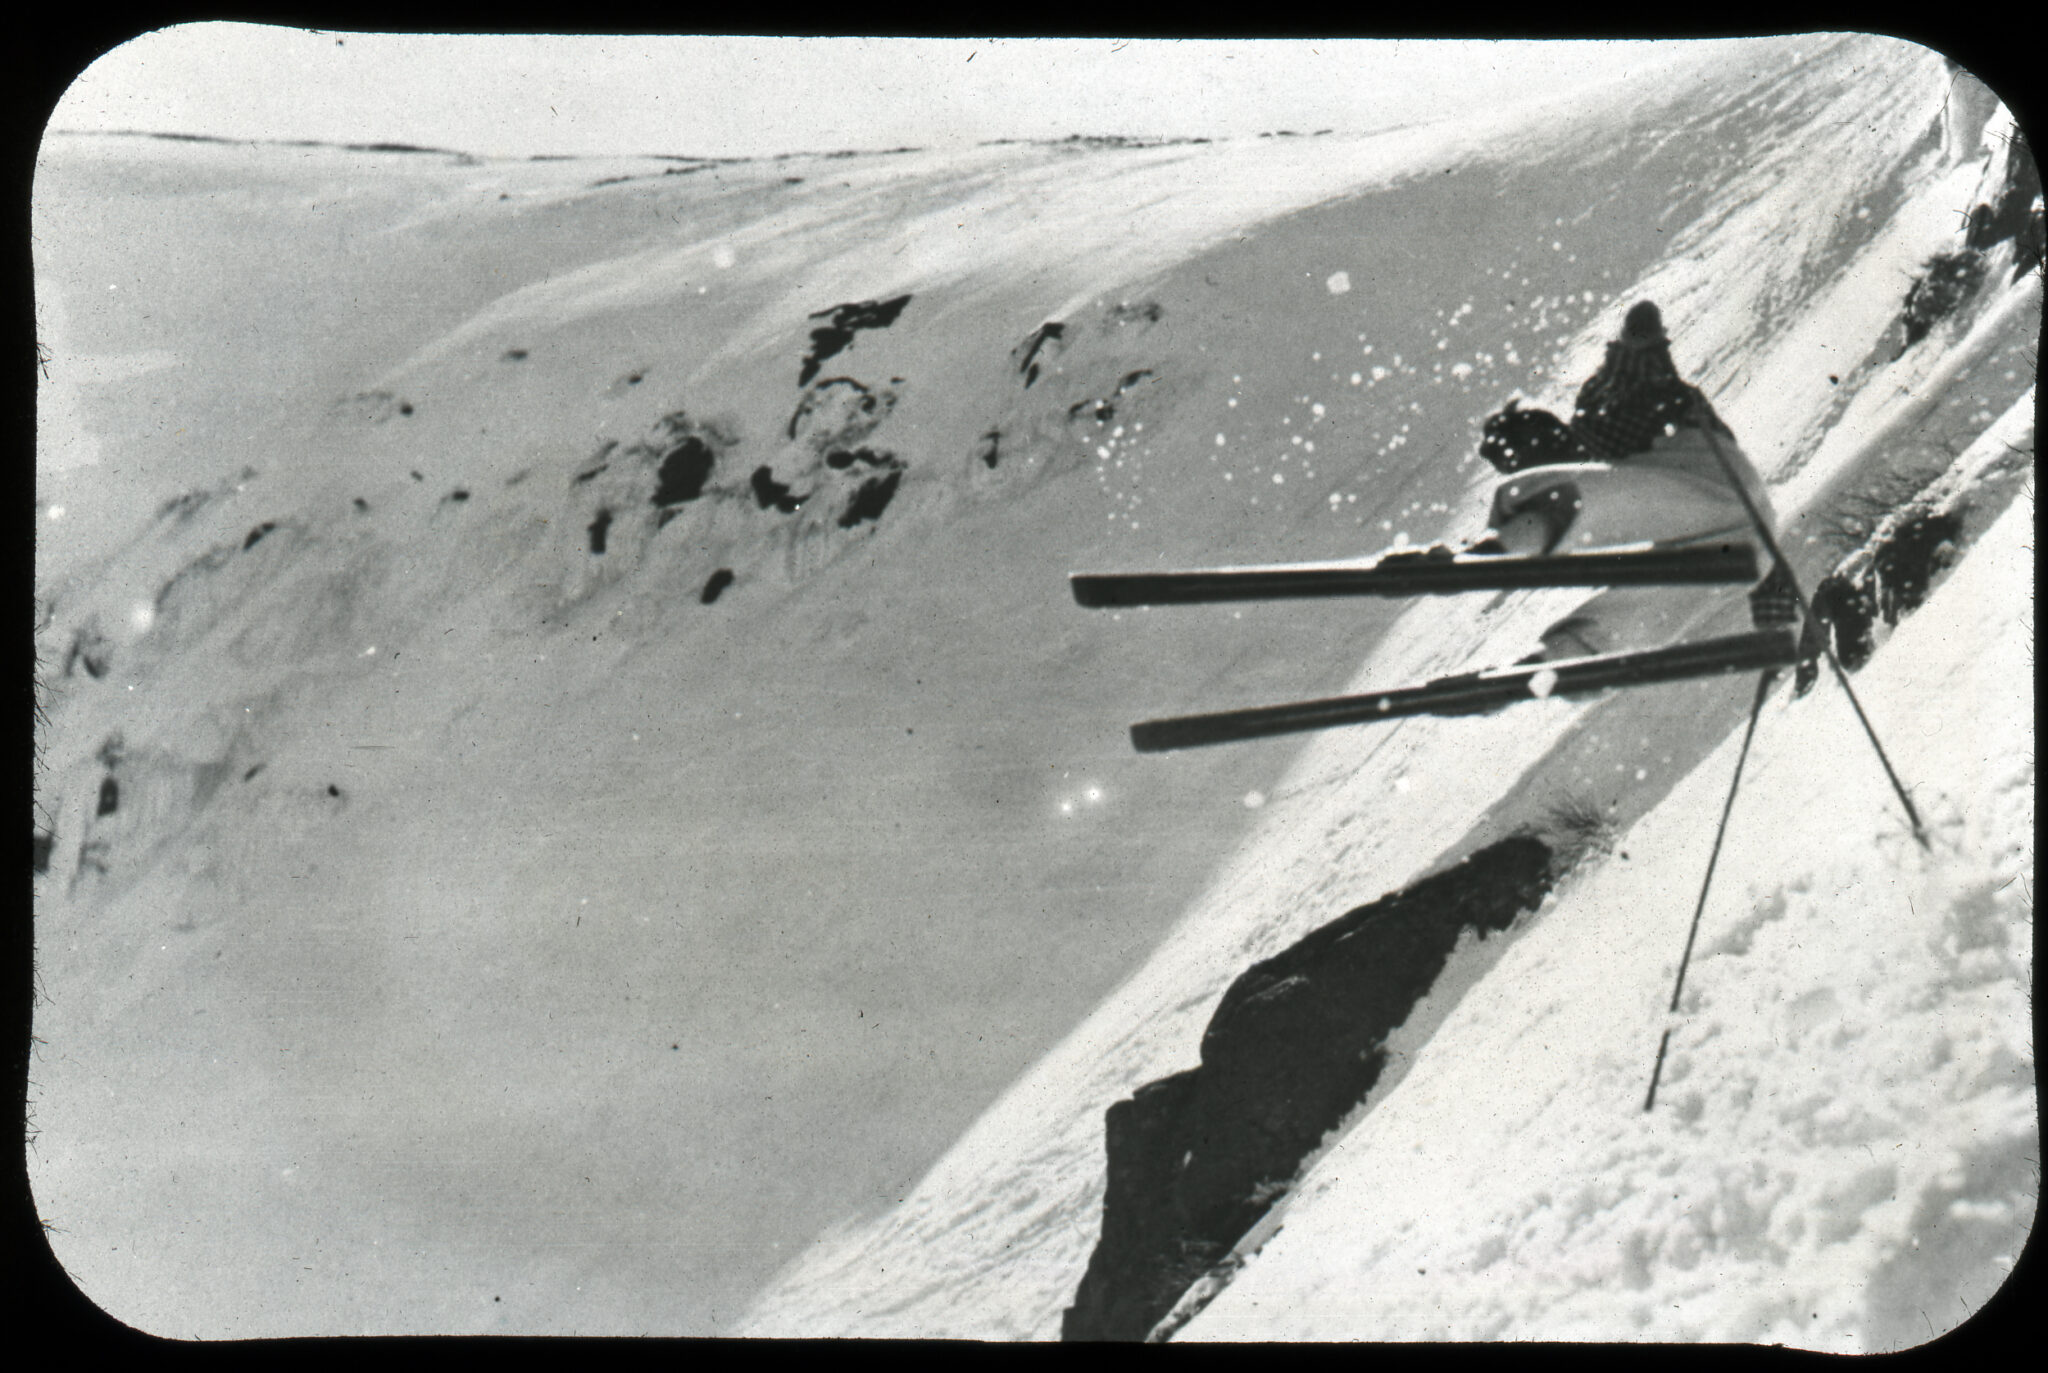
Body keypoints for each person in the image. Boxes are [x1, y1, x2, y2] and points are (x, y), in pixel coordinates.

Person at [1468, 301, 1801, 657]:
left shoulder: (1597, 407)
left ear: (1545, 436)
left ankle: (1509, 543)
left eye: (1533, 463)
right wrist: (1777, 613)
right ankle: (1574, 650)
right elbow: (1759, 541)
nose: (1548, 466)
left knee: (1583, 497)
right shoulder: (1614, 475)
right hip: (1738, 535)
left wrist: (1644, 344)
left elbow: (1638, 333)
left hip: (1710, 471)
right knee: (1660, 587)